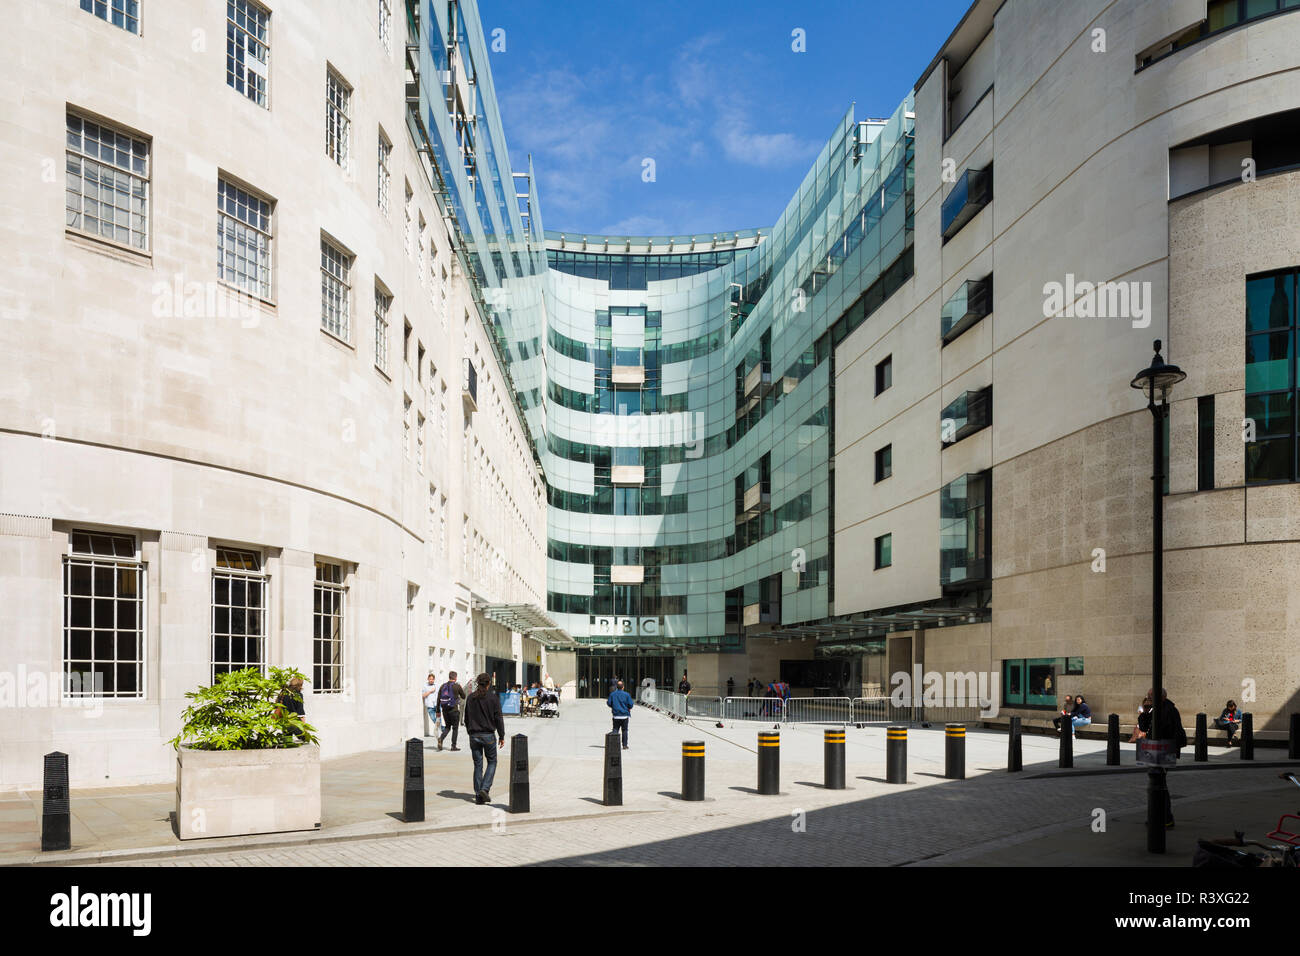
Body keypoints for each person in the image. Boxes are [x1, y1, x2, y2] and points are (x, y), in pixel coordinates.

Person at [1137, 687, 1186, 828]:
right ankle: (1160, 817)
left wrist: (1171, 752)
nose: (1149, 699)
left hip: (1164, 750)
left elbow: (1170, 730)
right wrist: (1145, 712)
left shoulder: (1169, 710)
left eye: (1151, 696)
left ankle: (1166, 818)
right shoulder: (1154, 709)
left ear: (1162, 697)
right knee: (1157, 783)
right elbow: (1144, 727)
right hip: (1156, 750)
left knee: (1159, 784)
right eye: (1148, 696)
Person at [464, 673, 506, 805]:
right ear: (488, 684)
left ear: (478, 683)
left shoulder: (471, 698)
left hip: (474, 735)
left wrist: (470, 731)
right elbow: (498, 717)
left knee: (478, 765)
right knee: (492, 762)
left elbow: (466, 717)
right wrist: (502, 735)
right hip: (488, 735)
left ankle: (478, 796)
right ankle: (485, 788)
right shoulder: (493, 698)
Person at [437, 670, 466, 751]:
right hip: (454, 710)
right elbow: (464, 696)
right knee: (455, 728)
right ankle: (453, 746)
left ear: (449, 677)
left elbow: (438, 699)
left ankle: (441, 738)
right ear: (455, 678)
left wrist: (437, 711)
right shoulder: (457, 686)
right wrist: (460, 688)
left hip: (445, 710)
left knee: (447, 727)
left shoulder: (443, 686)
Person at [607, 678, 634, 750]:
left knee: (615, 729)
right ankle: (624, 745)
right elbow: (631, 704)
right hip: (624, 715)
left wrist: (614, 706)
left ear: (616, 687)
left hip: (616, 715)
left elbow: (609, 703)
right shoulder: (627, 695)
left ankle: (613, 745)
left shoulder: (612, 694)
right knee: (625, 730)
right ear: (623, 687)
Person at [420, 672, 442, 738]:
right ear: (428, 679)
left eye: (432, 679)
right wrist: (430, 692)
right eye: (430, 679)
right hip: (430, 706)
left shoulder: (437, 686)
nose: (431, 680)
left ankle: (440, 732)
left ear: (434, 679)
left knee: (439, 719)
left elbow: (440, 694)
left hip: (437, 705)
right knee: (434, 719)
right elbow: (423, 696)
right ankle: (442, 728)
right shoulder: (425, 686)